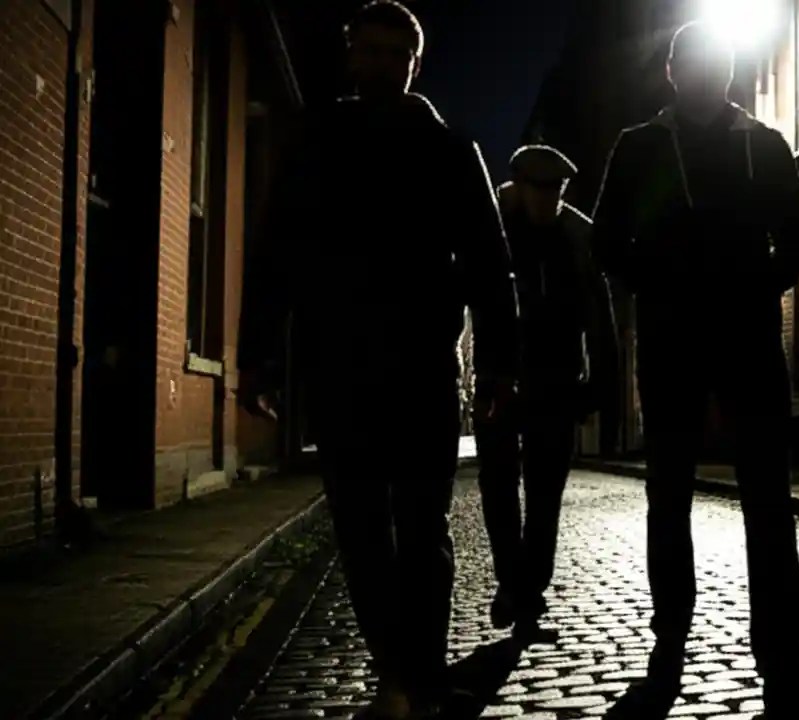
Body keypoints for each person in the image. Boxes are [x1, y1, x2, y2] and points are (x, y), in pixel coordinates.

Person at [237, 2, 519, 718]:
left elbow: (489, 265)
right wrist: (257, 358)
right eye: (369, 50)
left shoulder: (450, 150)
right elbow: (274, 253)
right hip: (339, 368)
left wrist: (496, 367)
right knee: (362, 531)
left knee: (424, 531)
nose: (381, 65)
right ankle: (396, 672)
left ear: (414, 65)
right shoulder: (315, 142)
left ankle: (420, 676)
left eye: (396, 54)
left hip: (423, 369)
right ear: (350, 53)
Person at [591, 21, 799, 720]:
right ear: (673, 72)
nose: (710, 75)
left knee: (770, 507)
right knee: (668, 502)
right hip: (671, 345)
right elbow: (607, 240)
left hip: (749, 342)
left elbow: (798, 242)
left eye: (720, 64)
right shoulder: (639, 146)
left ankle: (785, 673)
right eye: (696, 64)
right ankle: (666, 660)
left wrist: (752, 286)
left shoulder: (763, 144)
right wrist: (661, 285)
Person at [476, 144, 619, 645]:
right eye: (540, 190)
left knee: (545, 495)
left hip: (556, 383)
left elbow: (601, 318)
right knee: (498, 488)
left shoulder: (579, 235)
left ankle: (529, 593)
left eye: (556, 191)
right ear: (519, 186)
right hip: (498, 379)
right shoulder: (491, 228)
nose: (548, 200)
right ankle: (511, 584)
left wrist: (599, 386)